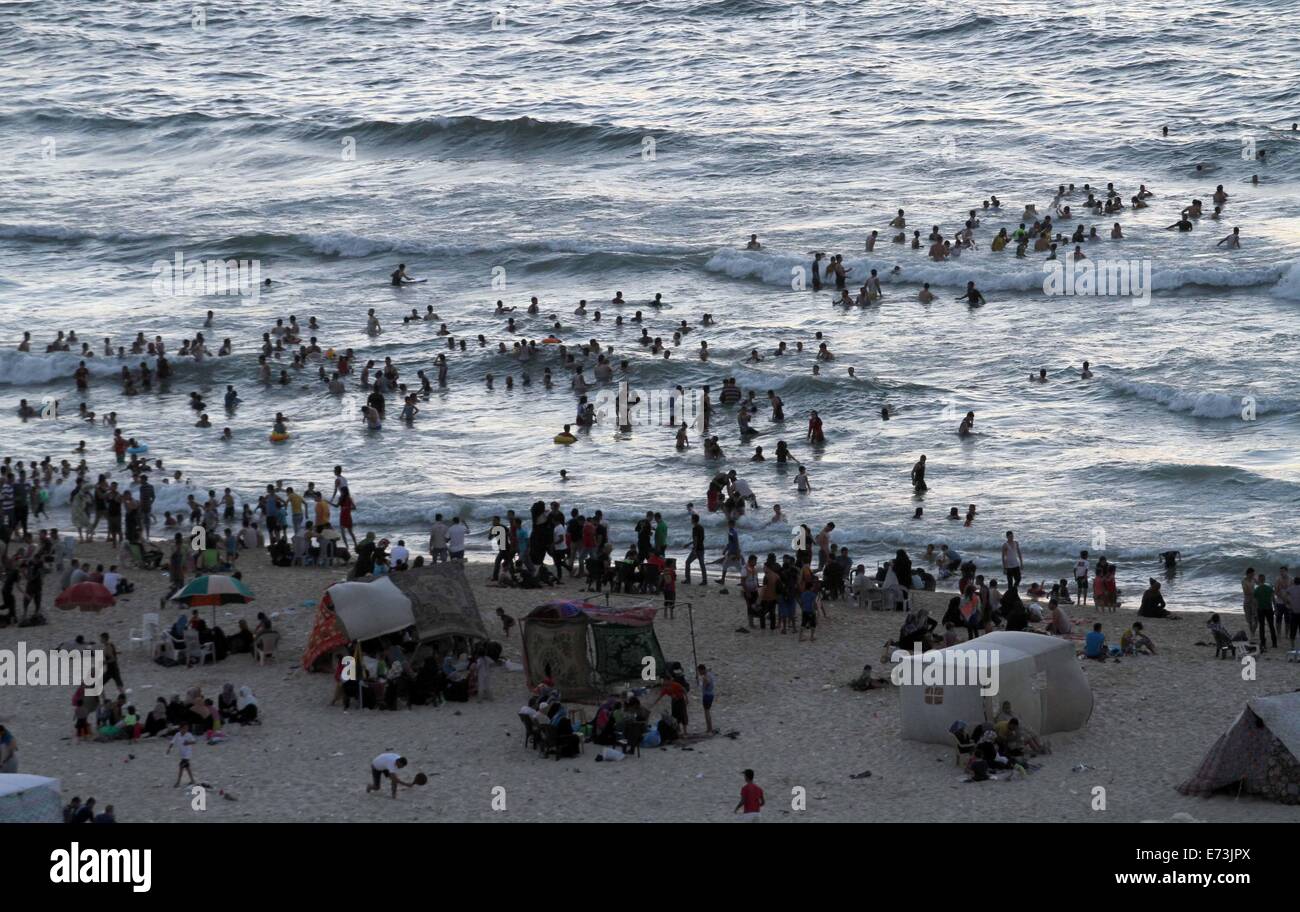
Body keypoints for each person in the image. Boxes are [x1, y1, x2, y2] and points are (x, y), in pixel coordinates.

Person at [167, 723, 196, 787]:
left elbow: (194, 741)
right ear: (180, 728)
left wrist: (188, 742)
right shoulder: (177, 734)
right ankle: (192, 780)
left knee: (181, 767)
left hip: (187, 754)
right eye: (184, 728)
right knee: (187, 767)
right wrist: (169, 748)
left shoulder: (189, 735)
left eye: (187, 728)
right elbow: (172, 741)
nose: (186, 729)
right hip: (182, 754)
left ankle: (178, 782)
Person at [697, 664, 716, 734]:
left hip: (707, 695)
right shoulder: (709, 674)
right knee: (707, 712)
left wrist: (703, 684)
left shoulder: (705, 677)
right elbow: (708, 670)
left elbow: (706, 683)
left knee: (706, 712)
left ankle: (709, 728)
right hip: (711, 694)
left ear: (702, 670)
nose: (699, 673)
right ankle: (709, 728)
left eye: (699, 671)